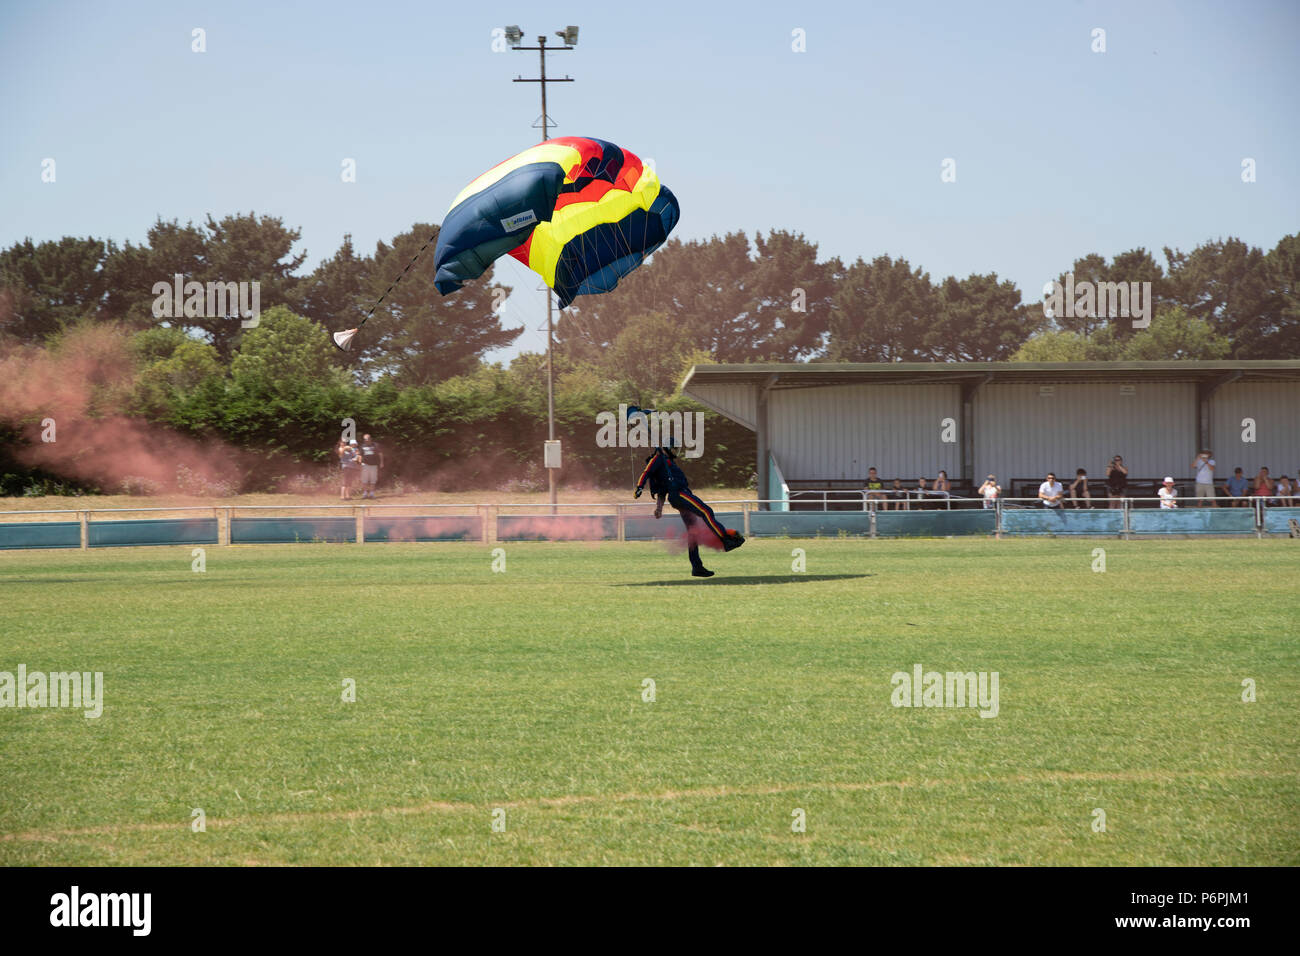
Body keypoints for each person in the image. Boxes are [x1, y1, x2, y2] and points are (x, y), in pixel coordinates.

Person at [635, 443, 744, 577]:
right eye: (674, 448)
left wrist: (659, 508)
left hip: (678, 496)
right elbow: (647, 471)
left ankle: (697, 567)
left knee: (693, 531)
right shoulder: (659, 459)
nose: (676, 451)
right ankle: (725, 539)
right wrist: (639, 487)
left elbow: (662, 489)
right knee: (706, 511)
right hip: (680, 494)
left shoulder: (666, 464)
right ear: (668, 448)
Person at [359, 433, 385, 499]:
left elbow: (380, 454)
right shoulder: (362, 446)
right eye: (364, 439)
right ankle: (365, 493)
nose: (366, 441)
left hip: (374, 465)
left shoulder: (376, 445)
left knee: (373, 480)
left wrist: (381, 463)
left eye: (367, 439)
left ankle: (372, 494)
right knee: (364, 480)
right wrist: (359, 463)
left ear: (370, 439)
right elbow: (360, 455)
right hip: (365, 465)